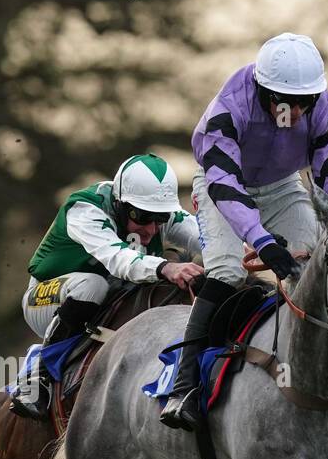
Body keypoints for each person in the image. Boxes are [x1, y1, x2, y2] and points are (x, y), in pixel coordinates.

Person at [160, 32, 328, 430]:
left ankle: (311, 369)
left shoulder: (322, 108)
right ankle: (184, 386)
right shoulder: (228, 109)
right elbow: (226, 186)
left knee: (308, 265)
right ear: (263, 90)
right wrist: (263, 241)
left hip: (283, 185)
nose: (298, 113)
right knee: (229, 271)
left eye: (306, 103)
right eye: (288, 104)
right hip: (223, 184)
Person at [11, 153, 204, 420]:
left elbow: (204, 237)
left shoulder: (157, 214)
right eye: (142, 217)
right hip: (45, 297)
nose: (151, 229)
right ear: (120, 204)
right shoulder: (85, 209)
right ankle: (37, 375)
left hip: (110, 294)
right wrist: (166, 267)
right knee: (92, 285)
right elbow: (118, 259)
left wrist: (253, 249)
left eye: (159, 218)